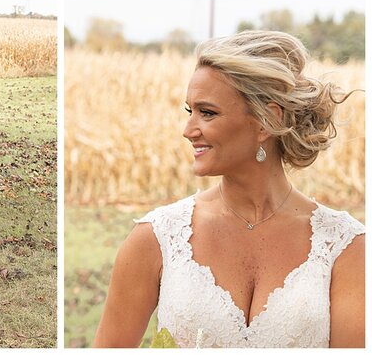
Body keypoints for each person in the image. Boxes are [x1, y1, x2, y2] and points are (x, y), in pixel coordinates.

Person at [93, 31, 364, 348]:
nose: (188, 130)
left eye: (207, 112)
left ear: (266, 121)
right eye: (189, 111)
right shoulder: (157, 237)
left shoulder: (345, 246)